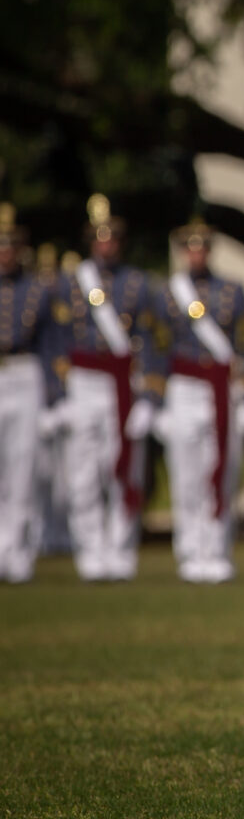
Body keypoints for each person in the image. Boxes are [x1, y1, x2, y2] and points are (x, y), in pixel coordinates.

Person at [143, 220, 244, 583]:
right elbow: (156, 346)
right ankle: (191, 550)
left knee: (222, 471)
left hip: (221, 389)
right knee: (186, 475)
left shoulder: (233, 291)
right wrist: (155, 400)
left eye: (202, 247)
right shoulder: (167, 294)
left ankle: (218, 549)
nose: (196, 253)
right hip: (184, 387)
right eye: (190, 247)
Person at [53, 196, 152, 581]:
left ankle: (121, 550)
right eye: (100, 238)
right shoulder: (70, 283)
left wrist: (149, 396)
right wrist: (58, 395)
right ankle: (90, 551)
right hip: (83, 381)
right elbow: (57, 340)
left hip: (122, 384)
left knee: (123, 468)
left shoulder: (137, 283)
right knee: (83, 473)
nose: (106, 245)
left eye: (112, 238)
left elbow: (149, 341)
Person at [0, 206, 63, 582]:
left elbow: (52, 346)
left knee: (23, 469)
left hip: (24, 372)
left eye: (11, 246)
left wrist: (55, 397)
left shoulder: (37, 291)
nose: (5, 252)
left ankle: (18, 553)